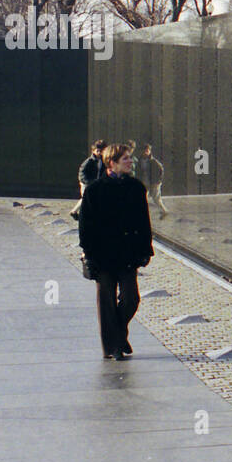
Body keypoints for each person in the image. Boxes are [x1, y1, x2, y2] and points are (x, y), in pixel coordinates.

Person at [78, 143, 153, 360]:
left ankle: (118, 336)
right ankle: (113, 347)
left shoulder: (136, 188)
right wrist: (88, 253)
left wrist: (145, 250)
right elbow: (85, 226)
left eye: (130, 157)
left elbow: (144, 222)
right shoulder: (94, 190)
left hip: (128, 254)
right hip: (101, 255)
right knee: (106, 303)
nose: (131, 161)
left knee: (131, 298)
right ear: (112, 163)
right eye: (125, 159)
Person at [70, 140, 105, 220]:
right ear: (93, 151)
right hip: (86, 183)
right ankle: (75, 212)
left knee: (91, 198)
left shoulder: (102, 161)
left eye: (101, 151)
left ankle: (78, 212)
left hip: (95, 183)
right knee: (86, 198)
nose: (99, 153)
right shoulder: (89, 161)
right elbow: (81, 173)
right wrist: (87, 182)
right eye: (97, 151)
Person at [134, 143, 167, 219]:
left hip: (153, 183)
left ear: (150, 151)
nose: (145, 152)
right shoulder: (139, 161)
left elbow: (161, 170)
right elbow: (138, 171)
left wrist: (158, 181)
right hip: (144, 182)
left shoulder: (153, 161)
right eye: (144, 151)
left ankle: (164, 211)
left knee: (156, 198)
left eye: (147, 151)